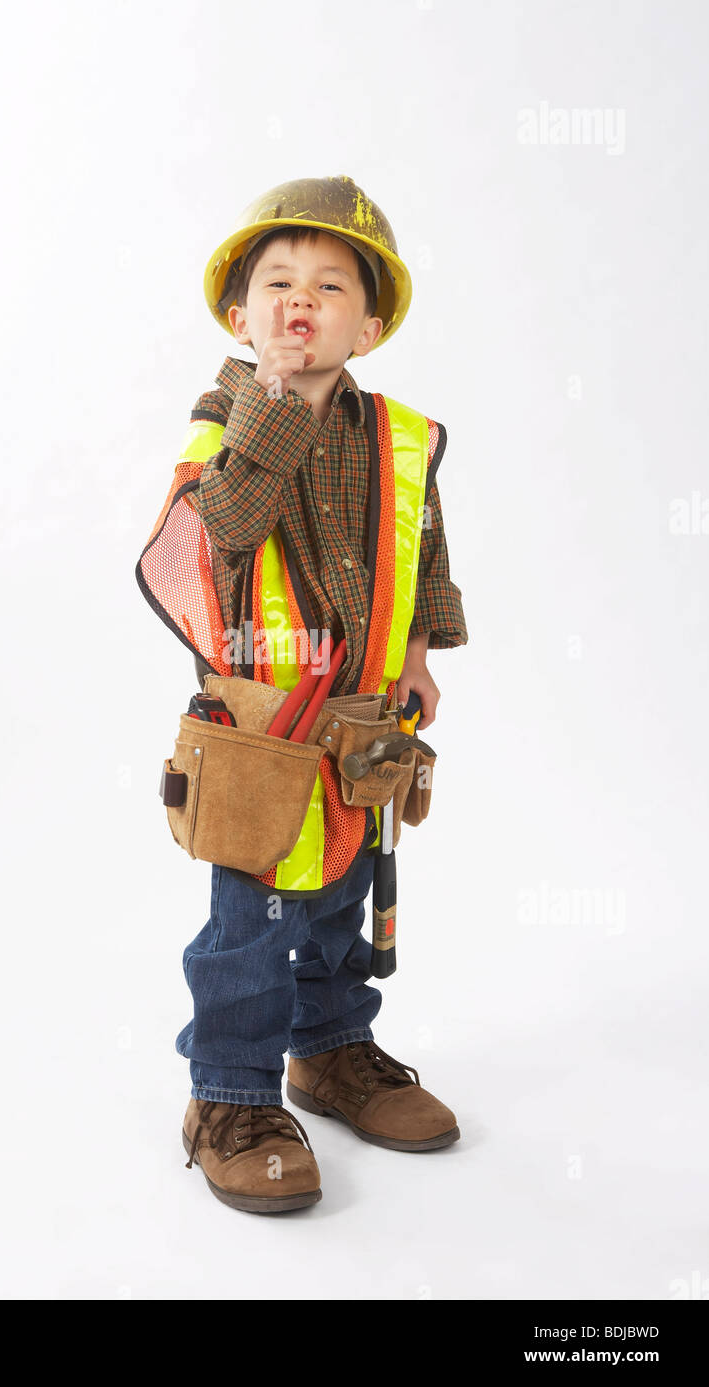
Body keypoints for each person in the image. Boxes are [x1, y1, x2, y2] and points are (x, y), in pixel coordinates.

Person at [137, 176, 468, 1213]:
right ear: (240, 317)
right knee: (251, 916)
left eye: (329, 285)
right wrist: (278, 403)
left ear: (367, 324)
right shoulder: (224, 421)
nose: (300, 298)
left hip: (362, 719)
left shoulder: (399, 436)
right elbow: (224, 525)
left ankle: (329, 1049)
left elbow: (422, 550)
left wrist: (419, 651)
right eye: (276, 281)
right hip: (258, 728)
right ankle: (228, 1093)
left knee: (338, 900)